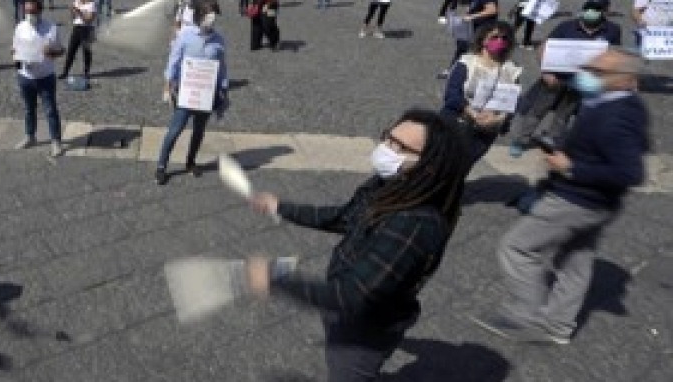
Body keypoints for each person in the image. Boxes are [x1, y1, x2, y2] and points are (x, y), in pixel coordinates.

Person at [244, 109, 472, 381]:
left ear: (429, 167)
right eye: (389, 138)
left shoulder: (414, 223)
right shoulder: (391, 184)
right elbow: (345, 217)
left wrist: (275, 281)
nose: (386, 149)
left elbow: (353, 296)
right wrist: (282, 208)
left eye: (400, 147)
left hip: (364, 329)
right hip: (342, 310)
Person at [473, 48, 648, 346]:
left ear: (625, 79)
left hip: (576, 200)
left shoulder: (619, 116)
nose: (589, 76)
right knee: (574, 263)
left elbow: (630, 172)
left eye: (599, 72)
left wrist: (572, 167)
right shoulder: (614, 101)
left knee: (516, 248)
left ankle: (527, 314)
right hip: (596, 203)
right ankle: (558, 325)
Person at [508, 0, 621, 156]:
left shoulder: (612, 30)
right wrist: (546, 71)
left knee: (564, 114)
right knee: (537, 110)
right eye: (589, 9)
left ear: (603, 13)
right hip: (555, 78)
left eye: (596, 10)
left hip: (582, 81)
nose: (591, 13)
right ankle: (520, 140)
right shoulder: (566, 27)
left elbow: (614, 54)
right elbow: (543, 48)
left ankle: (552, 139)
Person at [155, 0, 228, 185]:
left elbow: (221, 67)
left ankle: (190, 161)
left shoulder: (219, 40)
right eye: (209, 15)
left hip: (206, 93)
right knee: (175, 130)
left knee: (199, 131)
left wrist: (223, 89)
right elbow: (174, 61)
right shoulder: (185, 36)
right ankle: (161, 166)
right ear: (200, 17)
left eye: (214, 16)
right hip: (185, 91)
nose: (212, 20)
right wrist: (167, 85)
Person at [442, 22, 523, 163]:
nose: (500, 41)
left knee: (464, 166)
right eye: (495, 37)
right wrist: (473, 113)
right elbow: (452, 94)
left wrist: (498, 119)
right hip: (457, 123)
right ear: (483, 39)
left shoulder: (511, 70)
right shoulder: (467, 62)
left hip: (486, 132)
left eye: (504, 38)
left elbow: (513, 103)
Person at [11, 0, 64, 157]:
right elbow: (14, 48)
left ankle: (56, 141)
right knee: (28, 109)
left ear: (40, 11)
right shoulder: (20, 27)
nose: (29, 14)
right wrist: (14, 55)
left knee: (50, 110)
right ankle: (30, 136)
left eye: (32, 12)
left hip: (45, 76)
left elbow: (61, 51)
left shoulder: (51, 28)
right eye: (26, 11)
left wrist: (52, 53)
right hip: (25, 76)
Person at [441, 0, 498, 78]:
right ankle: (452, 70)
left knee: (480, 51)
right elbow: (462, 0)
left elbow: (492, 10)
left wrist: (472, 16)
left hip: (484, 29)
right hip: (473, 28)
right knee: (462, 47)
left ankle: (481, 74)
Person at [59, 0, 96, 82]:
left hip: (87, 29)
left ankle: (86, 72)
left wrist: (79, 11)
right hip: (77, 28)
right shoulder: (77, 2)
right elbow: (73, 18)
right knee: (71, 51)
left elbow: (89, 20)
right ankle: (65, 72)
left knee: (86, 52)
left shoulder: (91, 4)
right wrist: (72, 11)